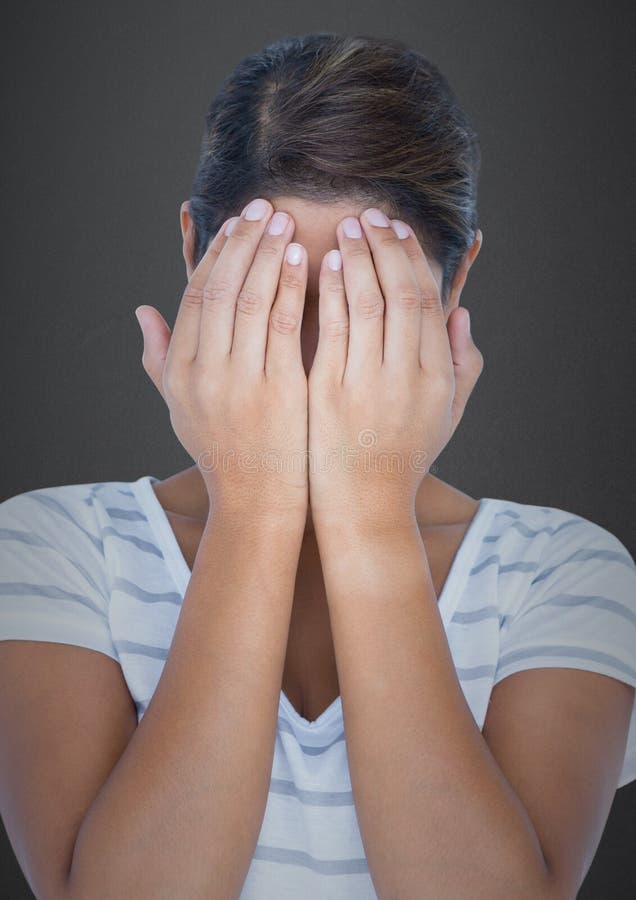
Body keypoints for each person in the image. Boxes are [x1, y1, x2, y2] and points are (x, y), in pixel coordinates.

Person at [0, 31, 635, 900]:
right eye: (271, 297)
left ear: (454, 287)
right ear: (196, 257)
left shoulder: (566, 572)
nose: (315, 360)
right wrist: (254, 505)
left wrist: (370, 516)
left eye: (365, 305)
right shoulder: (46, 547)